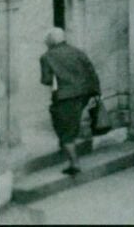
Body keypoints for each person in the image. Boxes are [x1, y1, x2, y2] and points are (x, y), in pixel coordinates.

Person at [39, 28, 100, 176]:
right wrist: (97, 93)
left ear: (51, 40)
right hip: (84, 94)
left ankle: (74, 164)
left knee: (65, 131)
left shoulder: (47, 56)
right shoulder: (78, 52)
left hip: (65, 96)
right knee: (69, 125)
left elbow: (46, 80)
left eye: (46, 40)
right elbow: (91, 72)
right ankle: (68, 153)